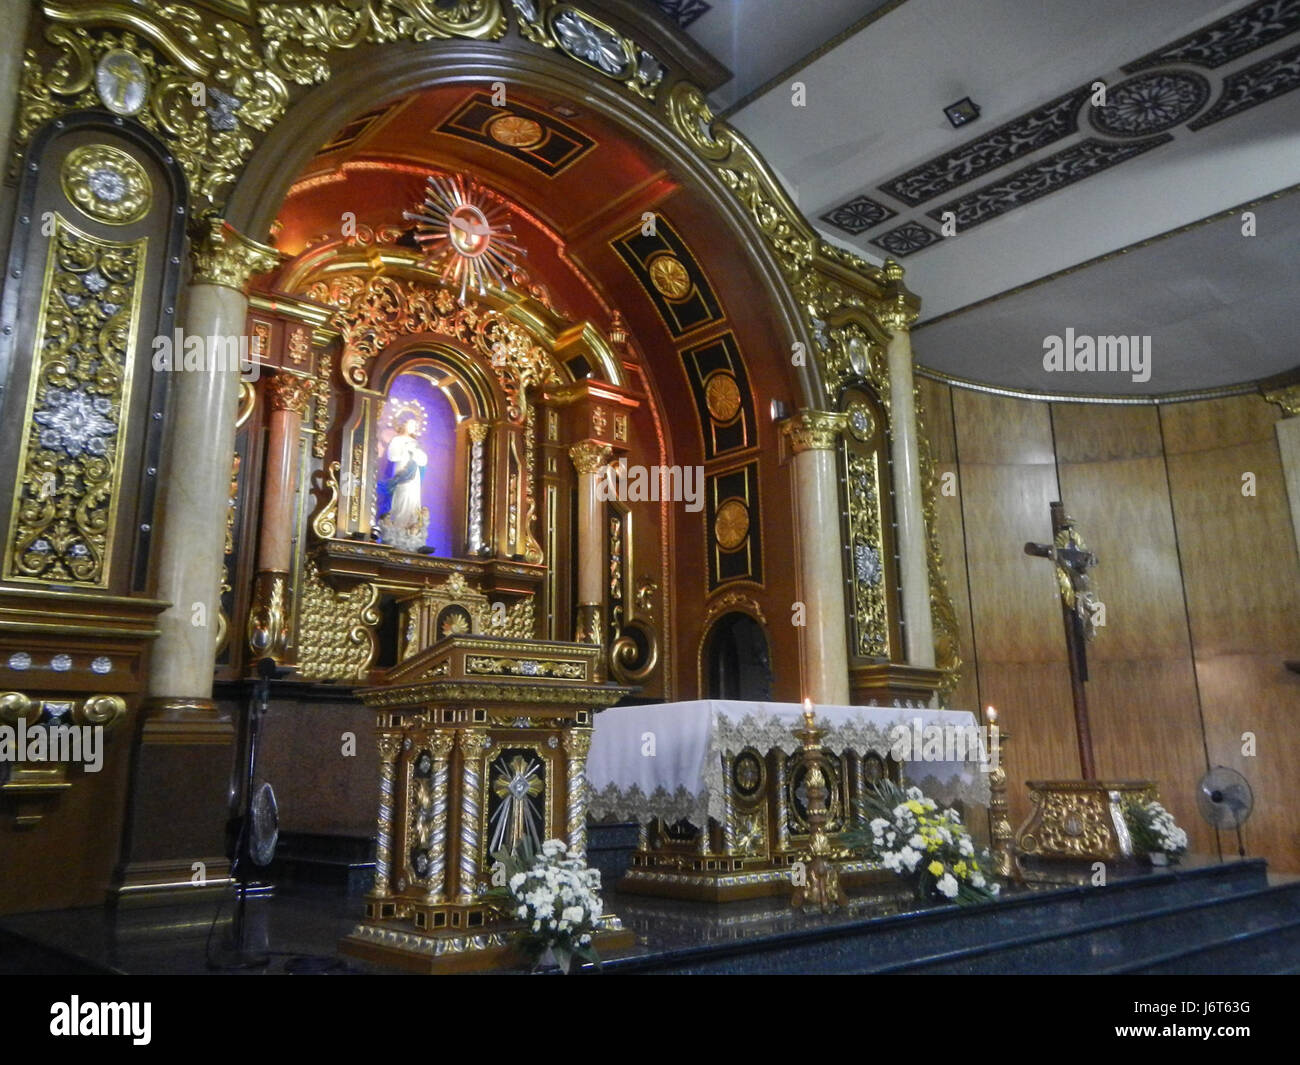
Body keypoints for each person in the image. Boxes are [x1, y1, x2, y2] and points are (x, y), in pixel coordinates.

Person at [380, 416, 429, 549]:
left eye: (415, 425)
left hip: (414, 476)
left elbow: (424, 460)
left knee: (413, 501)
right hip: (402, 474)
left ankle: (412, 528)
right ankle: (397, 526)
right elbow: (392, 456)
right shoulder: (397, 440)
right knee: (401, 498)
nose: (414, 427)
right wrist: (406, 450)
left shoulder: (417, 443)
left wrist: (416, 453)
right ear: (403, 424)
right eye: (411, 423)